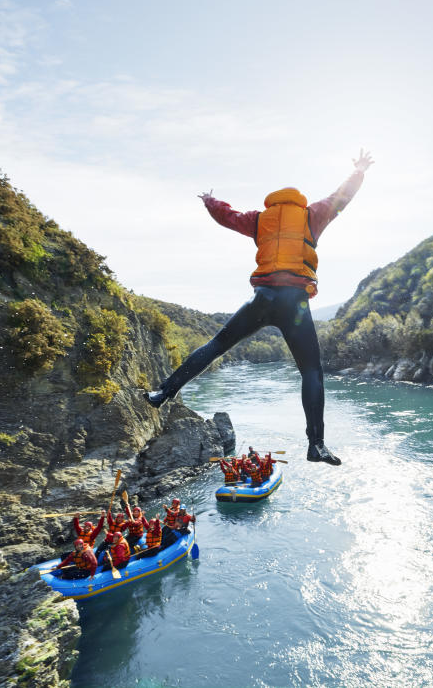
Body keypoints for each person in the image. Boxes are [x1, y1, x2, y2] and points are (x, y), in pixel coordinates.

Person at [145, 150, 375, 466]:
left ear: (274, 202)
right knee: (311, 370)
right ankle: (316, 445)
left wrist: (210, 202)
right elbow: (342, 197)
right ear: (297, 200)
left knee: (216, 346)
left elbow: (227, 216)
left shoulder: (260, 219)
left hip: (263, 298)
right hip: (294, 303)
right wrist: (359, 172)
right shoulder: (312, 214)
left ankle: (163, 393)